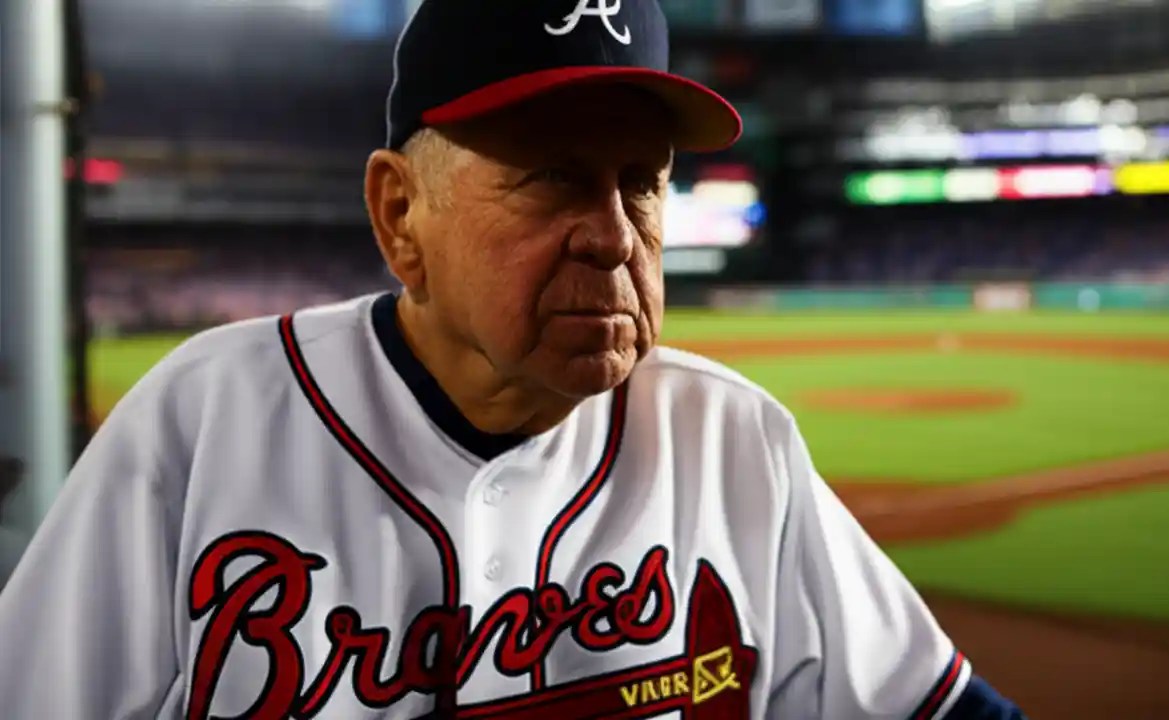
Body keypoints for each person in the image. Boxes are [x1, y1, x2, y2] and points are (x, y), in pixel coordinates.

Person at [0, 1, 1027, 718]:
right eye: (548, 177)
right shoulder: (203, 421)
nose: (613, 234)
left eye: (640, 182)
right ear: (400, 215)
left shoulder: (733, 440)